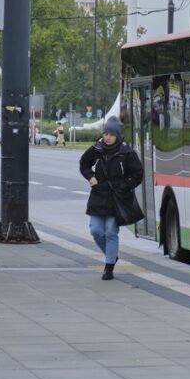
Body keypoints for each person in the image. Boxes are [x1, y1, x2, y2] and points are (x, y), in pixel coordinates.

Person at [79, 117, 143, 280]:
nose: (107, 137)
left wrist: (125, 185)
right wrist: (90, 177)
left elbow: (138, 174)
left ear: (117, 135)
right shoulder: (97, 149)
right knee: (95, 231)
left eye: (111, 134)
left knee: (110, 231)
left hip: (118, 199)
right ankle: (112, 255)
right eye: (105, 134)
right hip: (99, 196)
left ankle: (109, 267)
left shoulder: (126, 152)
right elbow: (84, 163)